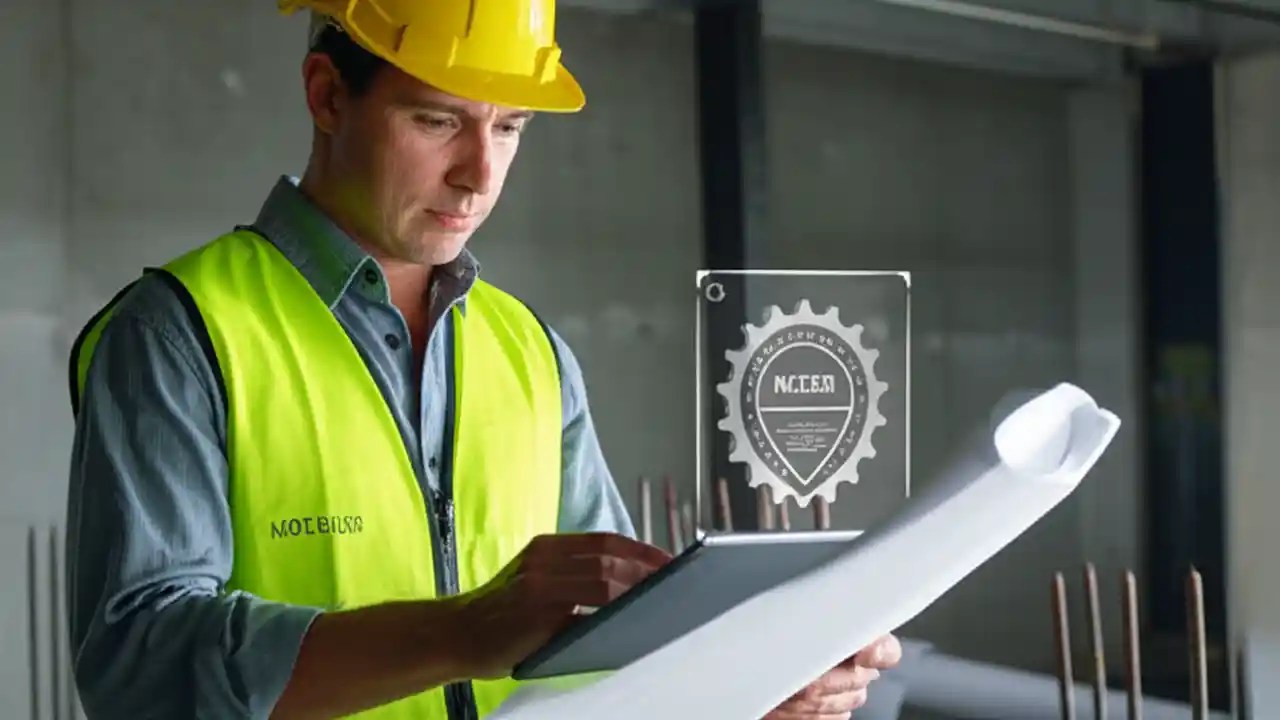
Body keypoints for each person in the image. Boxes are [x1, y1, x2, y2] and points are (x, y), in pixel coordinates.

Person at [64, 1, 901, 718]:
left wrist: (751, 688)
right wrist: (464, 632)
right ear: (327, 94)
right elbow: (140, 668)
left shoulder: (531, 350)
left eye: (509, 126)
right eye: (436, 121)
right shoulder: (181, 333)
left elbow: (611, 649)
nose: (479, 174)